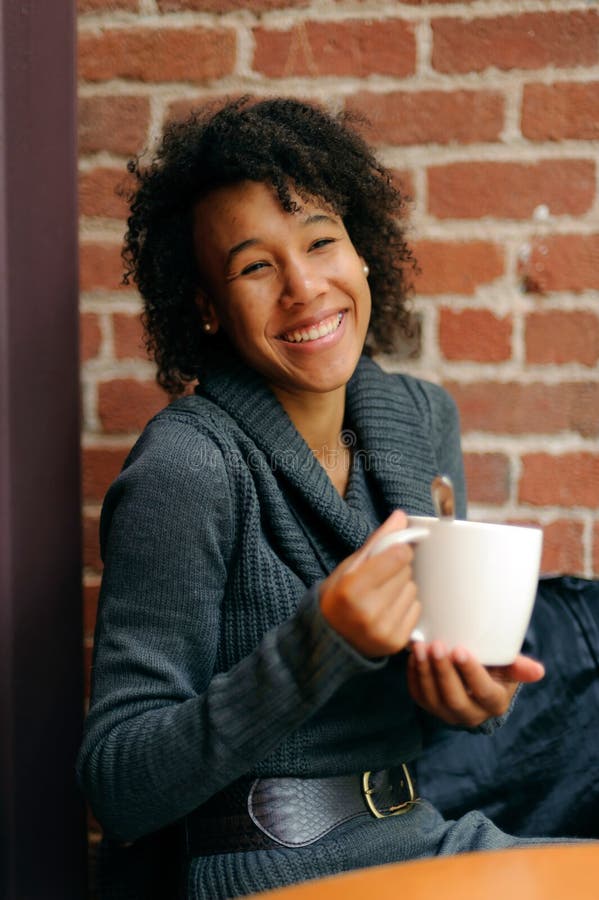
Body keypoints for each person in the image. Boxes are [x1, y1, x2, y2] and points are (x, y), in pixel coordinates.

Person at [77, 97, 550, 899]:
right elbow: (118, 782)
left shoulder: (419, 420)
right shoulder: (189, 465)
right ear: (205, 309)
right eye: (255, 266)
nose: (303, 285)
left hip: (422, 839)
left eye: (322, 242)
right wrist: (320, 640)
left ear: (362, 253)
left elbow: (434, 684)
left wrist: (473, 696)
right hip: (266, 870)